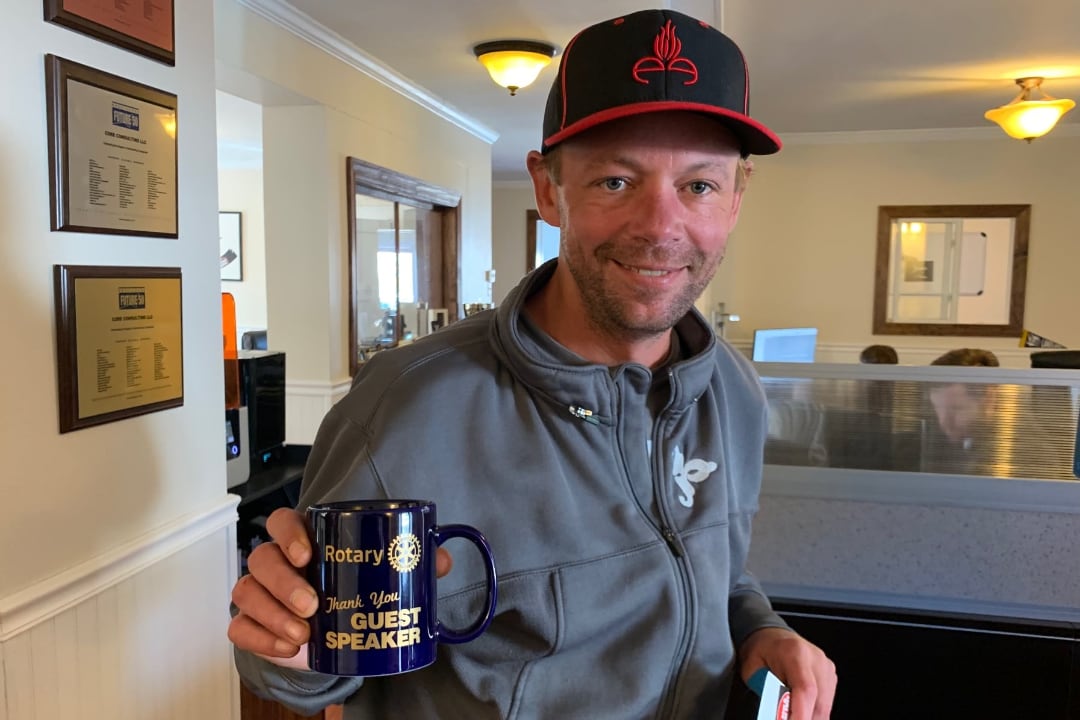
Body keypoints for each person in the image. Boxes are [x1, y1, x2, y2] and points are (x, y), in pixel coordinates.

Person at [228, 9, 836, 719]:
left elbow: (719, 574)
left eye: (698, 186)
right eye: (615, 181)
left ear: (736, 198)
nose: (662, 226)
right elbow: (313, 657)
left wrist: (760, 627)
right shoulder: (410, 404)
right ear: (549, 189)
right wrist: (290, 645)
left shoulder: (732, 390)